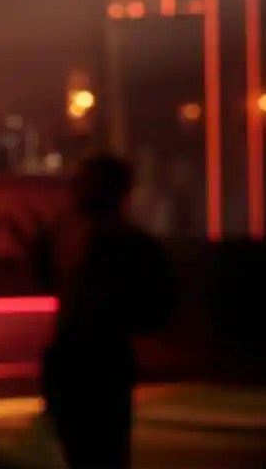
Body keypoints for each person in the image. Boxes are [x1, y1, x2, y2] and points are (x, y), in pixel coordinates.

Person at [35, 154, 176, 469]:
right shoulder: (126, 243)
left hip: (94, 364)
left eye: (82, 182)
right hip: (94, 364)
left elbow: (156, 307)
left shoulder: (118, 245)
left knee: (95, 453)